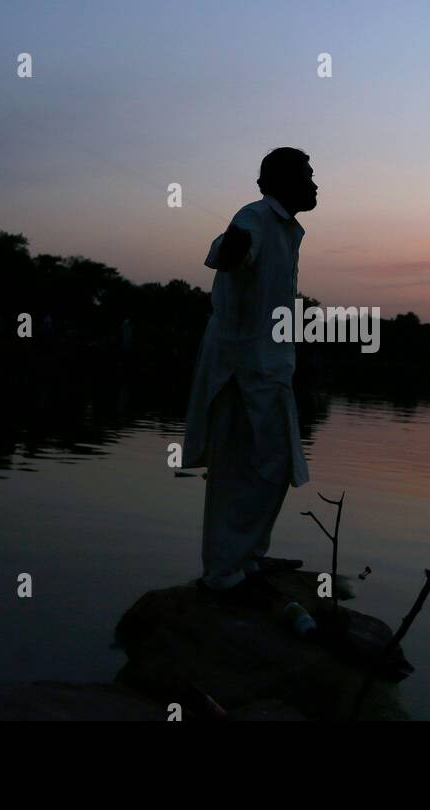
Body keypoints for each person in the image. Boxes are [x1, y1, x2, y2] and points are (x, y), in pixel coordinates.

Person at [181, 148, 318, 607]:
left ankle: (250, 555)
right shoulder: (254, 216)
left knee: (271, 465)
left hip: (268, 366)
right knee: (238, 466)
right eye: (308, 176)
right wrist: (231, 248)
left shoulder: (286, 227)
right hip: (240, 368)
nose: (316, 184)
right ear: (282, 183)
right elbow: (229, 252)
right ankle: (222, 574)